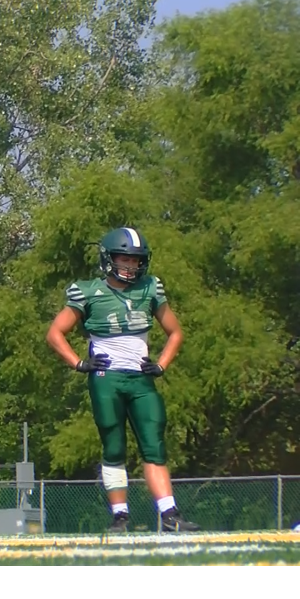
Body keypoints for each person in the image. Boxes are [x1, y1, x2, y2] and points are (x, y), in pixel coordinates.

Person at [45, 226, 201, 533]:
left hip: (140, 379)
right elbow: (54, 333)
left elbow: (176, 332)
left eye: (135, 260)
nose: (130, 266)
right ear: (109, 258)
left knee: (154, 443)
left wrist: (162, 365)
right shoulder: (88, 290)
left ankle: (169, 514)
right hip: (106, 377)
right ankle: (120, 515)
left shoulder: (150, 289)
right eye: (124, 259)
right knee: (113, 445)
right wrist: (78, 363)